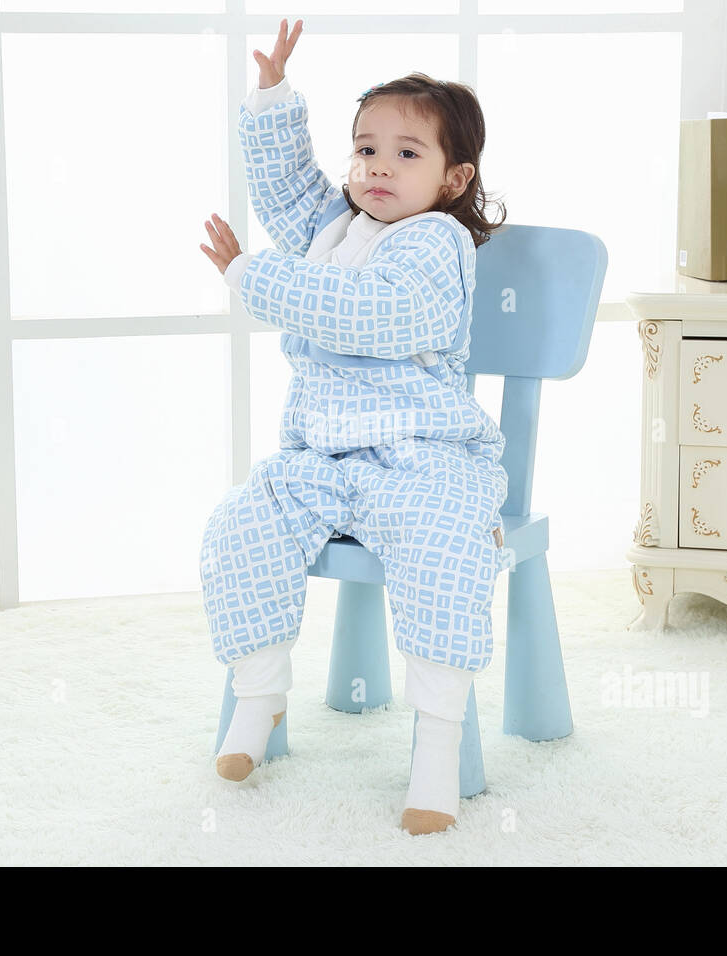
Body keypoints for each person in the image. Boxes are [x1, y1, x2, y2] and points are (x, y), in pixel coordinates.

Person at [197, 17, 509, 835]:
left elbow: (371, 314)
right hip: (322, 455)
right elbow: (289, 190)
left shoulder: (436, 244)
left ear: (452, 178)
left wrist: (249, 276)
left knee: (443, 551)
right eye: (366, 148)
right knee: (242, 525)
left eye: (407, 153)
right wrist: (272, 96)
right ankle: (259, 698)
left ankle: (437, 743)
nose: (378, 166)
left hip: (423, 455)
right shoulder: (337, 228)